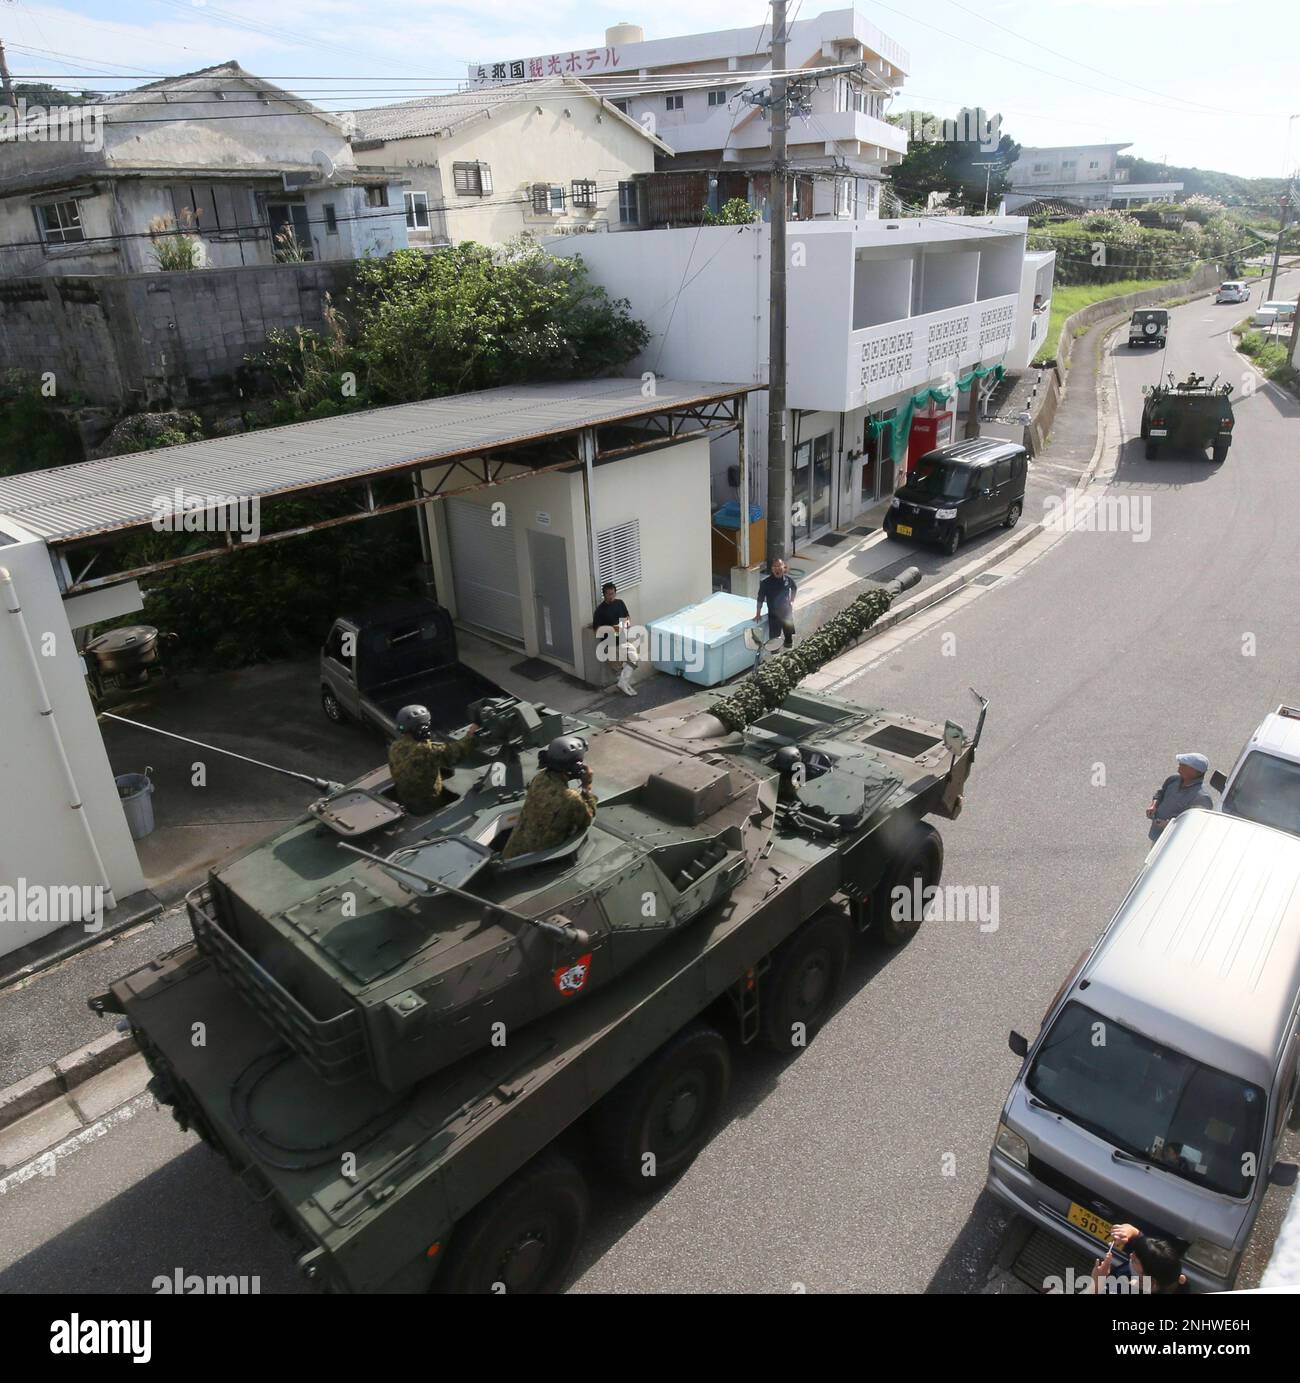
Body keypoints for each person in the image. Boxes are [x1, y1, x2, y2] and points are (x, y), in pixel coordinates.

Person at [502, 735, 597, 859]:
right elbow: (587, 818)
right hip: (534, 862)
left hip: (512, 852)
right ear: (575, 767)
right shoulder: (571, 798)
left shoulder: (540, 778)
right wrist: (587, 785)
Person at [387, 704, 478, 815]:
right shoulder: (427, 751)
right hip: (427, 805)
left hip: (406, 798)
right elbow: (457, 752)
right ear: (422, 729)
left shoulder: (395, 746)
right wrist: (471, 734)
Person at [1091, 1223, 1189, 1294]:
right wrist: (1128, 1231)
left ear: (1152, 1283)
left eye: (1135, 1260)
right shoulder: (1167, 1274)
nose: (1131, 1256)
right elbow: (1139, 1237)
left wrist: (1097, 1283)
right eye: (1133, 1253)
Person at [1146, 751, 1214, 841]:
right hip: (1157, 835)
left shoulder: (1202, 797)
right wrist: (1153, 805)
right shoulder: (1173, 779)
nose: (1179, 765)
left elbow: (1196, 823)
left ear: (1193, 771)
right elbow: (1160, 793)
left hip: (1175, 841)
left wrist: (1170, 825)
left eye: (1184, 764)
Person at [592, 581, 636, 697]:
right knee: (617, 668)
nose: (611, 596)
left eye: (613, 594)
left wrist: (626, 624)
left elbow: (627, 617)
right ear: (604, 595)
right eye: (609, 594)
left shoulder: (620, 603)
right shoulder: (600, 611)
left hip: (622, 639)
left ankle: (623, 683)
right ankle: (624, 685)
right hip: (609, 643)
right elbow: (597, 631)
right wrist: (612, 629)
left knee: (633, 659)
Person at [755, 557, 798, 653]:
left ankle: (789, 655)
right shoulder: (765, 583)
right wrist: (758, 613)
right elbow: (760, 599)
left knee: (788, 636)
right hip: (774, 616)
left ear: (784, 568)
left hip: (787, 614)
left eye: (779, 566)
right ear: (772, 569)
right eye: (774, 566)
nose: (777, 568)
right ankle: (776, 661)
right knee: (774, 640)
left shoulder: (788, 580)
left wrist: (792, 600)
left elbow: (794, 588)